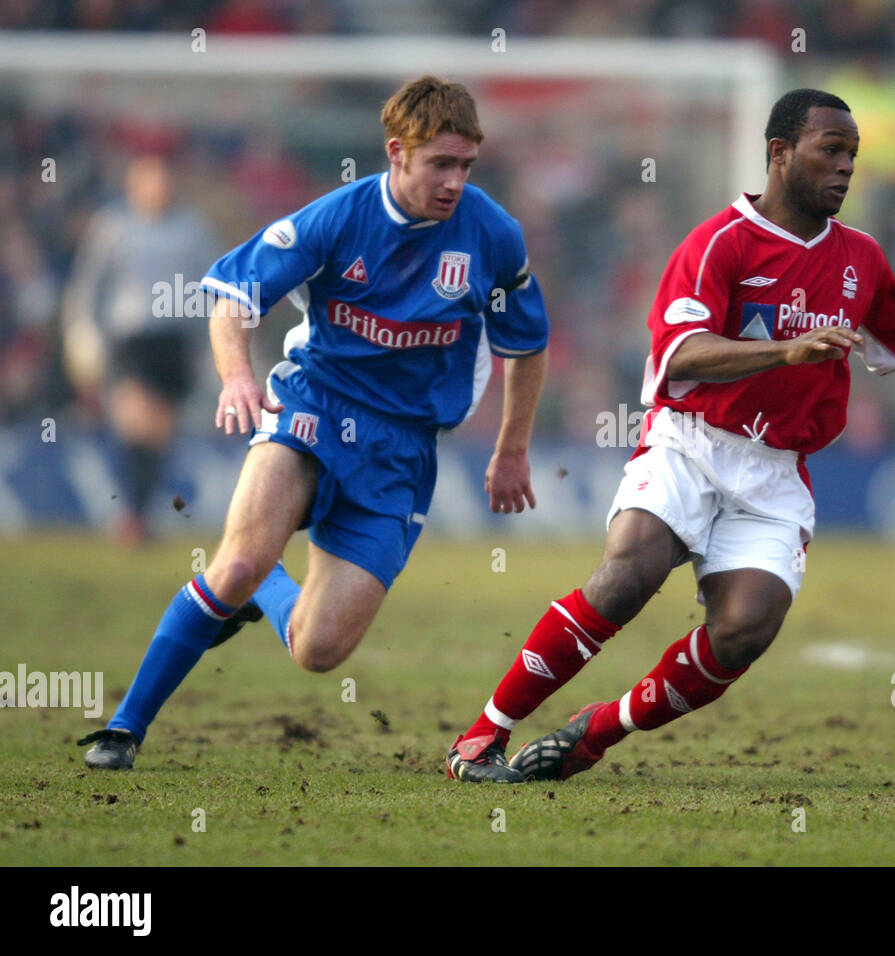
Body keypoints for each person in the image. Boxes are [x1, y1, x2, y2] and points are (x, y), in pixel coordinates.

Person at [445, 89, 895, 784]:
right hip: (691, 442)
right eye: (832, 150)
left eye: (852, 155)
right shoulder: (719, 242)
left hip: (774, 471)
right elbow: (681, 351)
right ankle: (479, 741)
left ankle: (601, 728)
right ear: (779, 152)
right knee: (627, 575)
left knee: (744, 630)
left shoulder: (860, 256)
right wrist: (783, 351)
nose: (846, 166)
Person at [79, 76, 549, 770]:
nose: (455, 182)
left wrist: (512, 450)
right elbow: (234, 298)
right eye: (440, 164)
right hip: (313, 406)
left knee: (318, 651)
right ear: (397, 152)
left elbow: (526, 344)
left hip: (402, 451)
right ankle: (124, 727)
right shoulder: (336, 219)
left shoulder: (492, 235)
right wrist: (238, 375)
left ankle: (262, 587)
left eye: (465, 166)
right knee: (236, 561)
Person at [61, 152, 220, 544]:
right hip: (130, 338)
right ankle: (131, 515)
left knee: (159, 433)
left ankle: (137, 515)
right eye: (150, 179)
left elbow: (210, 288)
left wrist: (208, 342)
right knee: (136, 420)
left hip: (173, 341)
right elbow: (88, 286)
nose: (159, 187)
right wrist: (83, 333)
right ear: (134, 184)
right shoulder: (113, 227)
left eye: (165, 178)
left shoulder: (192, 230)